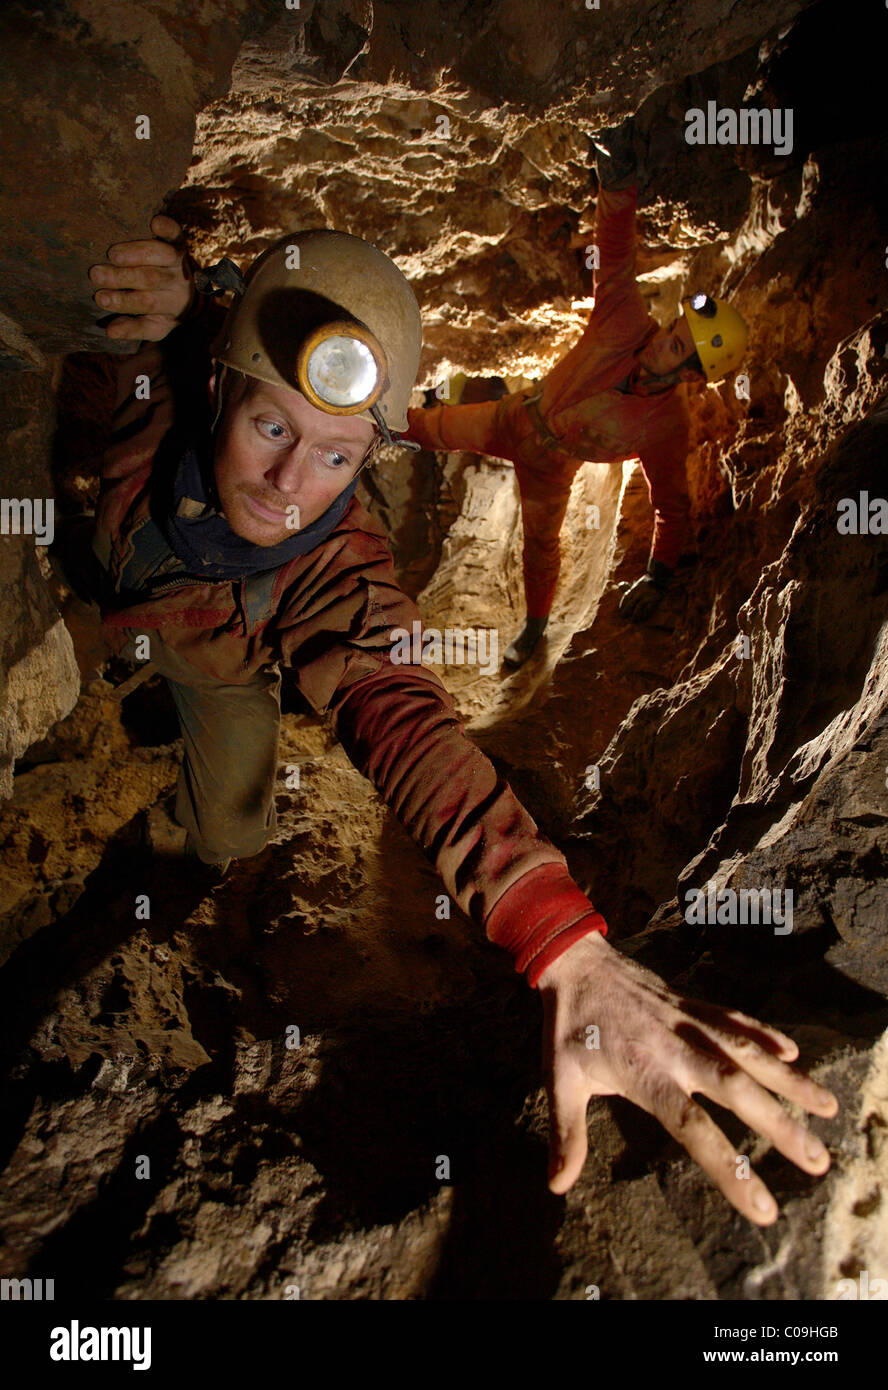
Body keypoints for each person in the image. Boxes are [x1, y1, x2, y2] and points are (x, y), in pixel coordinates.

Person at [51, 213, 836, 1230]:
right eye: (273, 429)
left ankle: (192, 782)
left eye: (338, 456)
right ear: (216, 385)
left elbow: (408, 720)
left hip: (216, 653)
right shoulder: (153, 380)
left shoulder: (338, 559)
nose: (291, 487)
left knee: (230, 830)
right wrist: (141, 291)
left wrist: (568, 947)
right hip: (104, 589)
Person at [405, 120, 749, 666]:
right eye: (674, 331)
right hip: (514, 415)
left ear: (692, 375)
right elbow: (615, 256)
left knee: (540, 548)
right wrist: (617, 181)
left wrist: (657, 577)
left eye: (678, 347)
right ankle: (357, 428)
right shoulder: (624, 320)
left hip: (552, 467)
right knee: (430, 428)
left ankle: (534, 629)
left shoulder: (666, 427)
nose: (664, 341)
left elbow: (672, 507)